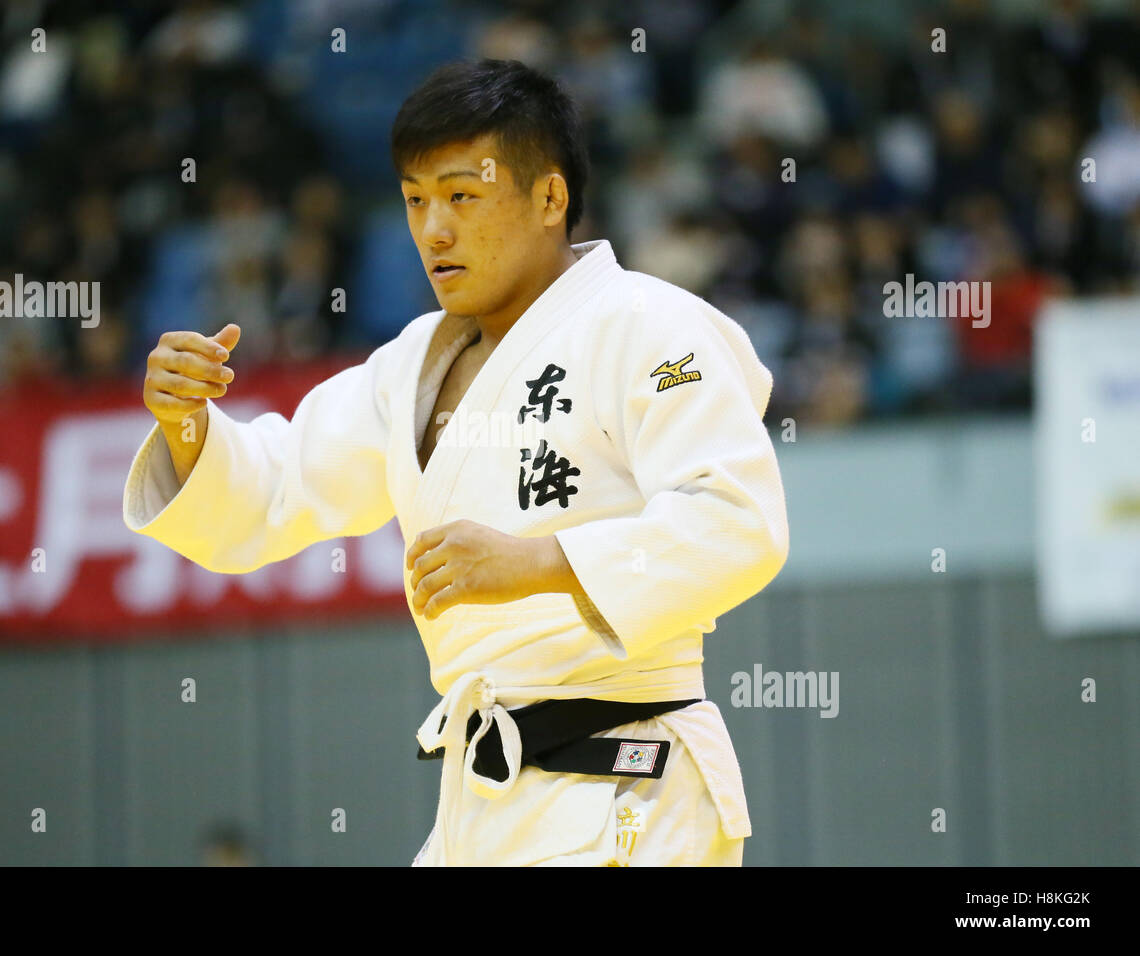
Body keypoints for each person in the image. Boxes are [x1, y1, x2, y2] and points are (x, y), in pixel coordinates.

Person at [123, 59, 789, 866]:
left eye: (462, 197)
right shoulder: (410, 367)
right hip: (484, 800)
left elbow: (737, 522)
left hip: (628, 783)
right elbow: (275, 486)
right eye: (415, 200)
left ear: (550, 198)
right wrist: (189, 426)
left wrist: (536, 562)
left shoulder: (649, 326)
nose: (434, 229)